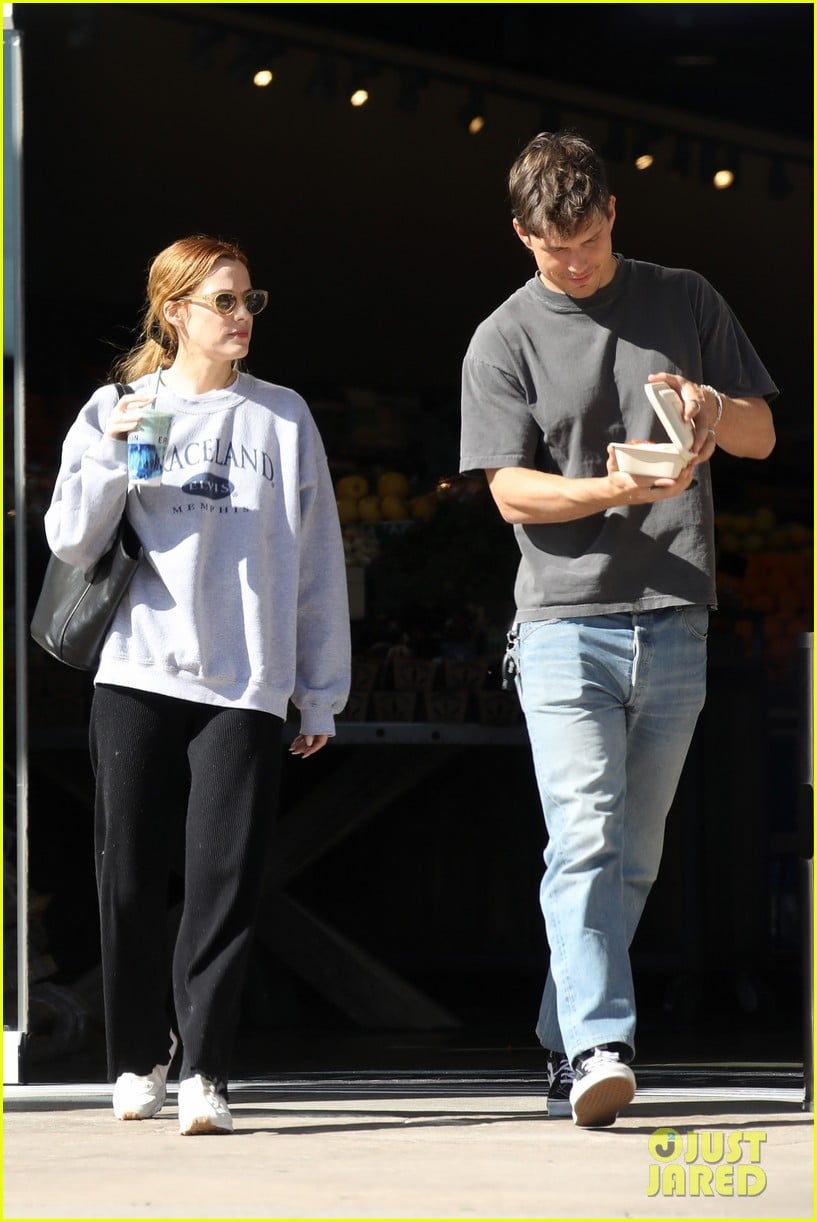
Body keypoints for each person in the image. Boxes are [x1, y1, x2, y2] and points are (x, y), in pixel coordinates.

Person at [460, 131, 777, 1128]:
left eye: (589, 242)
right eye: (556, 251)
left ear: (611, 217)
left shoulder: (684, 298)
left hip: (674, 618)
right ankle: (603, 1039)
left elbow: (763, 434)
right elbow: (507, 489)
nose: (577, 265)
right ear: (521, 235)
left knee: (632, 854)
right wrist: (609, 484)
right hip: (562, 625)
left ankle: (564, 1040)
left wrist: (706, 405)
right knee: (585, 836)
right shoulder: (501, 335)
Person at [44, 234, 351, 1134]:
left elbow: (318, 559)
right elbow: (69, 539)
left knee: (225, 880)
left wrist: (319, 688)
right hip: (138, 666)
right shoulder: (119, 405)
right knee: (130, 878)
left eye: (251, 300)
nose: (242, 316)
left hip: (247, 678)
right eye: (225, 301)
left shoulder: (284, 417)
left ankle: (207, 1071)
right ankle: (137, 1060)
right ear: (174, 311)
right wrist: (109, 447)